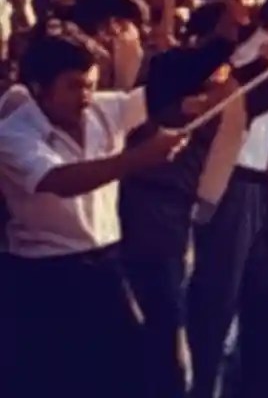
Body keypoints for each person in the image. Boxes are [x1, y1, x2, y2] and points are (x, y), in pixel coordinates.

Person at [0, 28, 190, 397]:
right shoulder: (11, 134)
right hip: (43, 277)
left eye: (90, 84)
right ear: (39, 88)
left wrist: (225, 45)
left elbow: (160, 92)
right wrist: (139, 158)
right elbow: (59, 180)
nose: (85, 97)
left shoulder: (106, 107)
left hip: (105, 269)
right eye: (73, 87)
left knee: (128, 371)